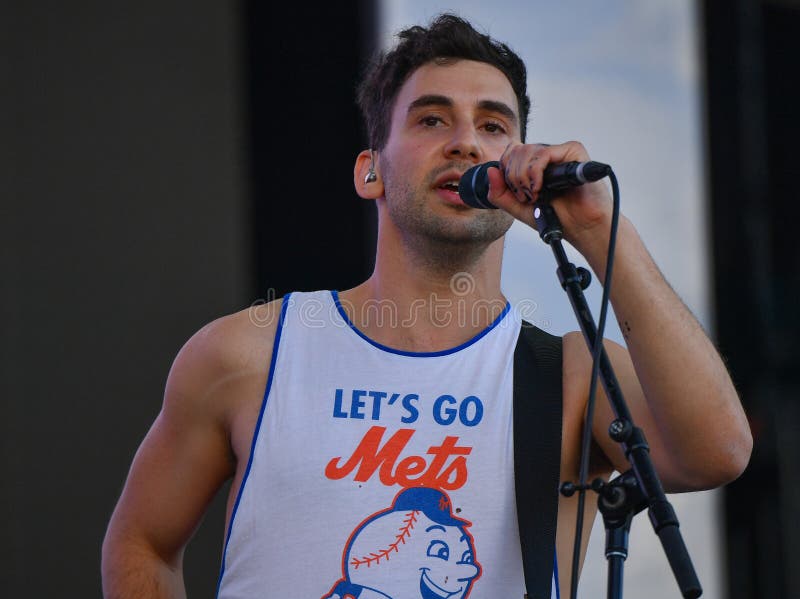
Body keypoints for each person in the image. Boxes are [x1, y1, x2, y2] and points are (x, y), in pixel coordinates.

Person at [101, 14, 752, 599]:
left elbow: (717, 450)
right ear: (370, 170)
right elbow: (142, 543)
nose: (466, 142)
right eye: (432, 118)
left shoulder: (573, 376)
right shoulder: (246, 354)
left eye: (494, 125)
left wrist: (602, 234)